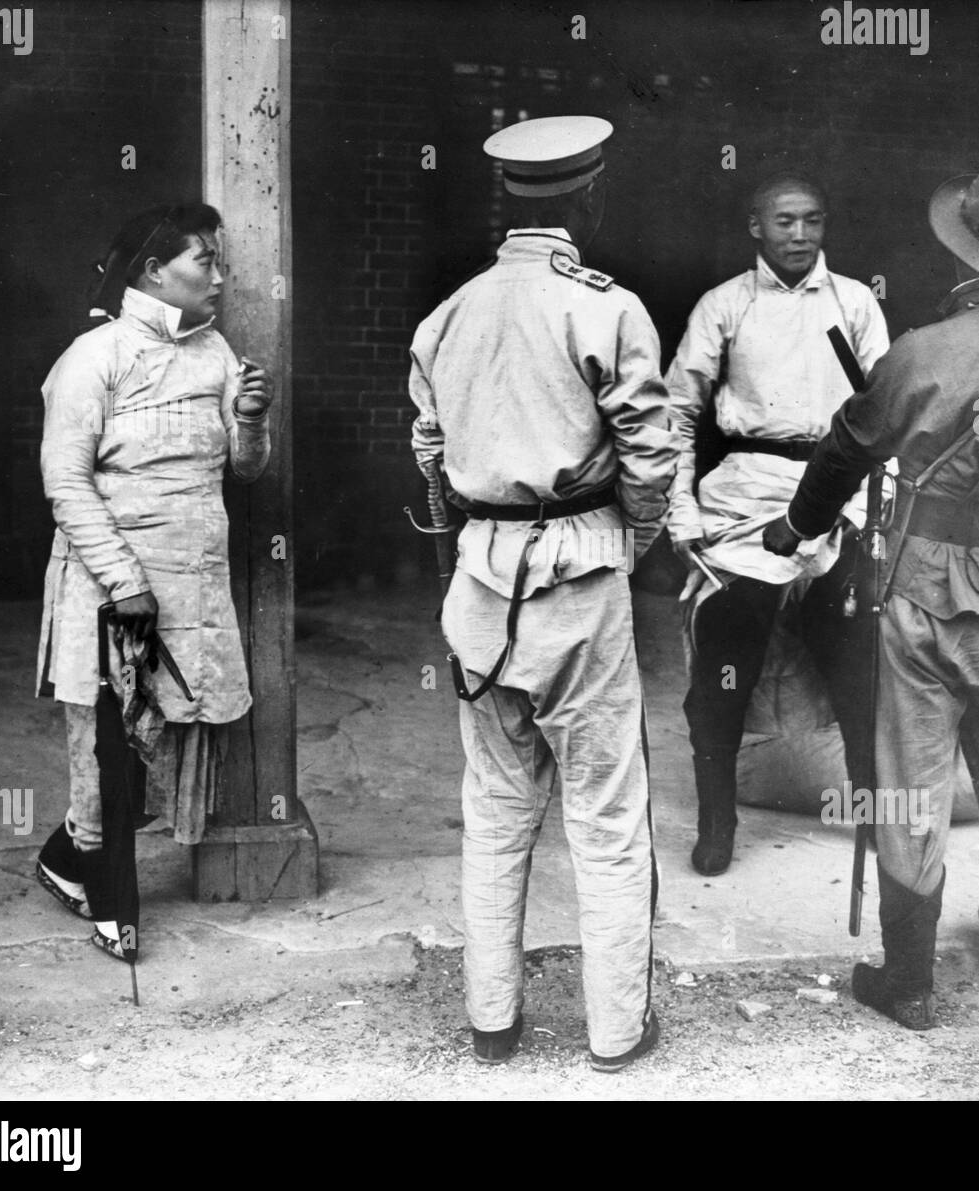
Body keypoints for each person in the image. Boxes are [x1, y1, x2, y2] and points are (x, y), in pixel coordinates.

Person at [765, 156, 979, 1028]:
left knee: (911, 778)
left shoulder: (924, 352)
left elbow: (847, 448)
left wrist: (796, 529)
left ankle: (910, 979)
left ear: (969, 260)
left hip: (924, 590)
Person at [408, 116, 677, 1071]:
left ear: (509, 203)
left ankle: (492, 1023)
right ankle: (615, 1032)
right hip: (579, 572)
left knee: (496, 804)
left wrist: (474, 536)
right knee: (605, 811)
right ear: (589, 197)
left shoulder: (449, 314)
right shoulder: (607, 308)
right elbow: (651, 456)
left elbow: (431, 458)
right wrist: (629, 543)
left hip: (481, 575)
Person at [34, 203, 273, 959]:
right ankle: (113, 905)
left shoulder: (216, 356)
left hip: (192, 584)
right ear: (152, 272)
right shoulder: (92, 357)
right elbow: (66, 485)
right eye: (205, 260)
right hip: (116, 586)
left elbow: (244, 469)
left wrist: (252, 420)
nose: (220, 276)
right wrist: (124, 581)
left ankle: (69, 857)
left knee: (160, 741)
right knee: (110, 740)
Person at [666, 171, 889, 876]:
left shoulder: (855, 302)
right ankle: (717, 819)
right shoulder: (724, 305)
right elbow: (676, 413)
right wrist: (682, 507)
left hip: (837, 492)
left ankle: (874, 810)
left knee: (858, 645)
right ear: (755, 226)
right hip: (745, 499)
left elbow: (886, 414)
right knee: (727, 645)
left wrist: (871, 516)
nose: (799, 235)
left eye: (813, 221)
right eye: (785, 222)